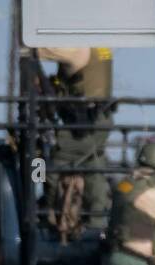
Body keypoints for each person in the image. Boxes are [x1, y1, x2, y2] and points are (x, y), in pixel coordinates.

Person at [37, 47, 115, 224]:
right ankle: (97, 223)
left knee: (49, 162)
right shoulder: (100, 46)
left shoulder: (77, 48)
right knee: (93, 169)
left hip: (83, 124)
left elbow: (34, 47)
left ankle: (45, 212)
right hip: (98, 120)